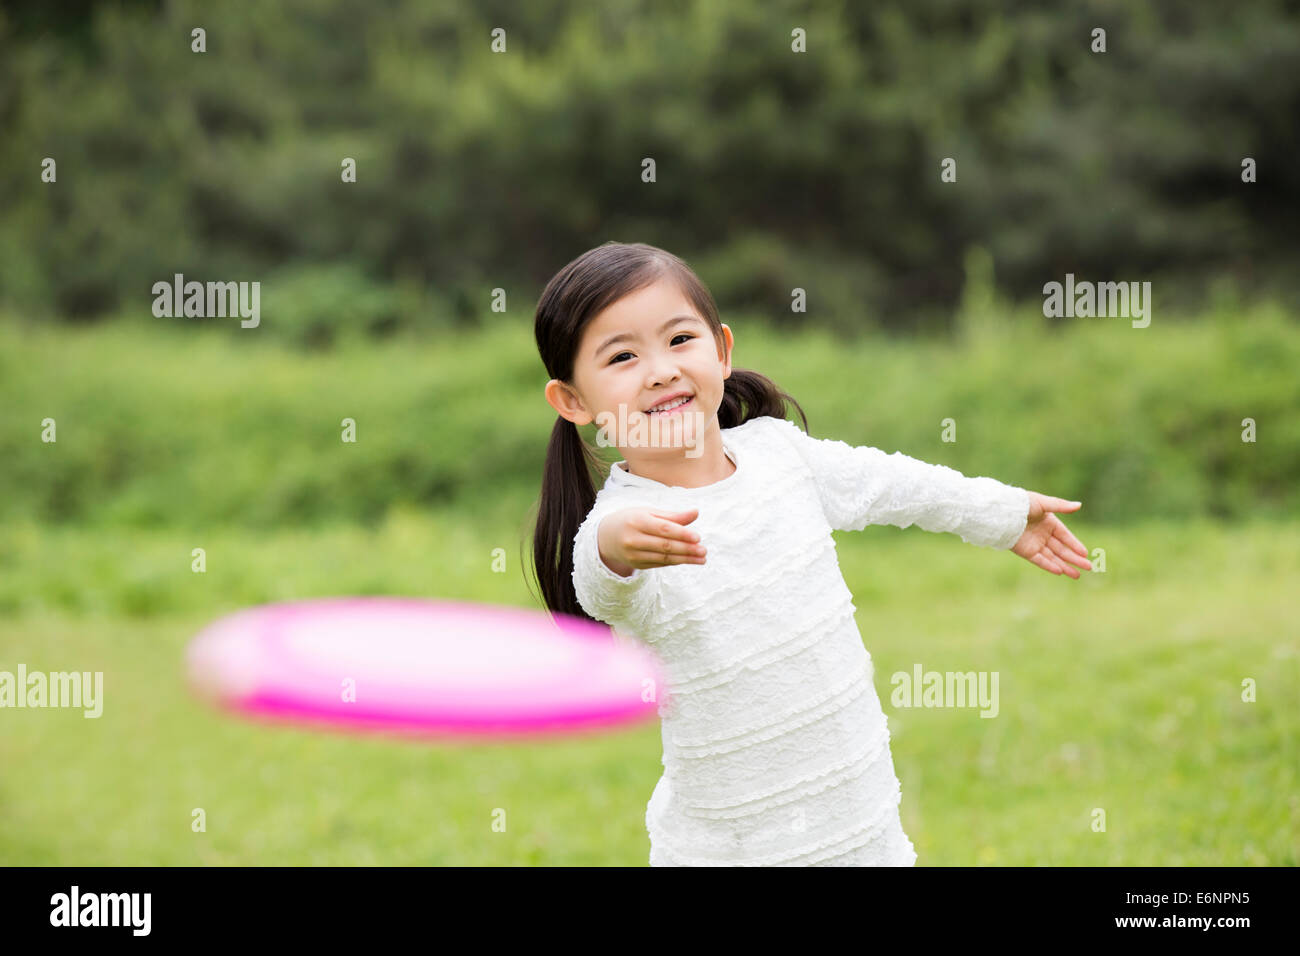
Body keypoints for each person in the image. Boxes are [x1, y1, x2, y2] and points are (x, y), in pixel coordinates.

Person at [529, 241, 1090, 866]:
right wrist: (616, 548)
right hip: (732, 845)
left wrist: (1004, 515)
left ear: (722, 349)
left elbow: (891, 482)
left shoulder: (779, 454)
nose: (661, 369)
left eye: (680, 339)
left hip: (857, 816)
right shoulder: (625, 524)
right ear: (574, 402)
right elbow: (599, 582)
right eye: (623, 356)